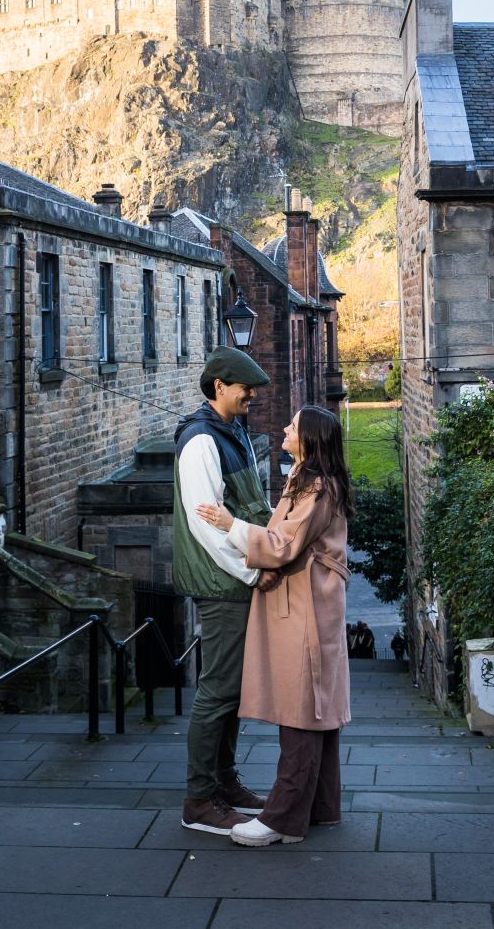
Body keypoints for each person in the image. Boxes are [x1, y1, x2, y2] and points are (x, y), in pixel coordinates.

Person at [198, 404, 352, 847]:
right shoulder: (308, 479)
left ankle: (282, 819)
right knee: (314, 706)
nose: (285, 428)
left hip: (306, 603)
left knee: (301, 708)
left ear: (311, 438)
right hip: (308, 599)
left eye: (293, 425)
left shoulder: (317, 486)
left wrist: (231, 525)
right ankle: (320, 807)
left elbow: (284, 543)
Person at [173, 345, 272, 835]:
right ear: (218, 388)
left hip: (239, 578)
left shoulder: (233, 433)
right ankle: (199, 800)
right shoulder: (200, 442)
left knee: (231, 691)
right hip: (223, 582)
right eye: (244, 388)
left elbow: (250, 504)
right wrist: (254, 571)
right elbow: (207, 525)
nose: (252, 394)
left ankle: (224, 784)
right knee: (216, 691)